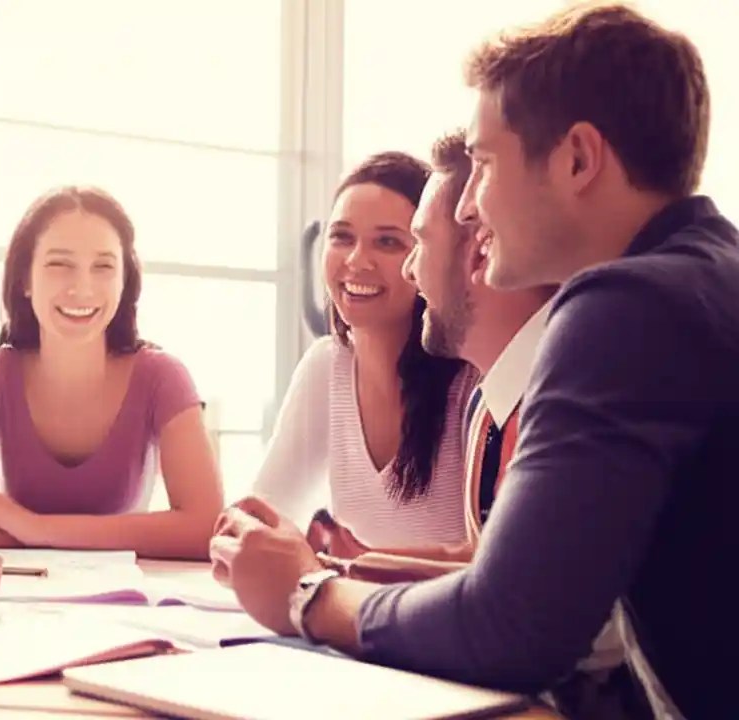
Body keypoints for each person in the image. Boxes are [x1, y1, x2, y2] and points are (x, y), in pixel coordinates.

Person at [210, 5, 732, 717]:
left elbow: (514, 629)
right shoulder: (705, 277)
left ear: (578, 159)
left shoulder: (625, 305)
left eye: (484, 163)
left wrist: (309, 597)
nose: (469, 211)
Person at [0, 186, 223, 559]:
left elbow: (204, 528)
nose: (82, 288)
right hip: (20, 597)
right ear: (25, 281)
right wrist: (39, 534)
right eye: (60, 265)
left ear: (124, 281)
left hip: (129, 597)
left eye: (104, 267)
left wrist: (36, 528)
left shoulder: (163, 377)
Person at [321, 129, 553, 581]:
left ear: (481, 252)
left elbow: (510, 601)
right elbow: (485, 563)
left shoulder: (557, 399)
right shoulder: (491, 401)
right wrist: (345, 569)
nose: (410, 269)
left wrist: (312, 594)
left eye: (418, 243)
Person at [252, 152, 475, 551]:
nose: (356, 261)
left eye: (387, 242)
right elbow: (266, 512)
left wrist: (362, 563)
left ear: (425, 256)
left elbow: (493, 568)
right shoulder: (327, 366)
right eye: (341, 237)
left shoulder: (469, 377)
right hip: (354, 610)